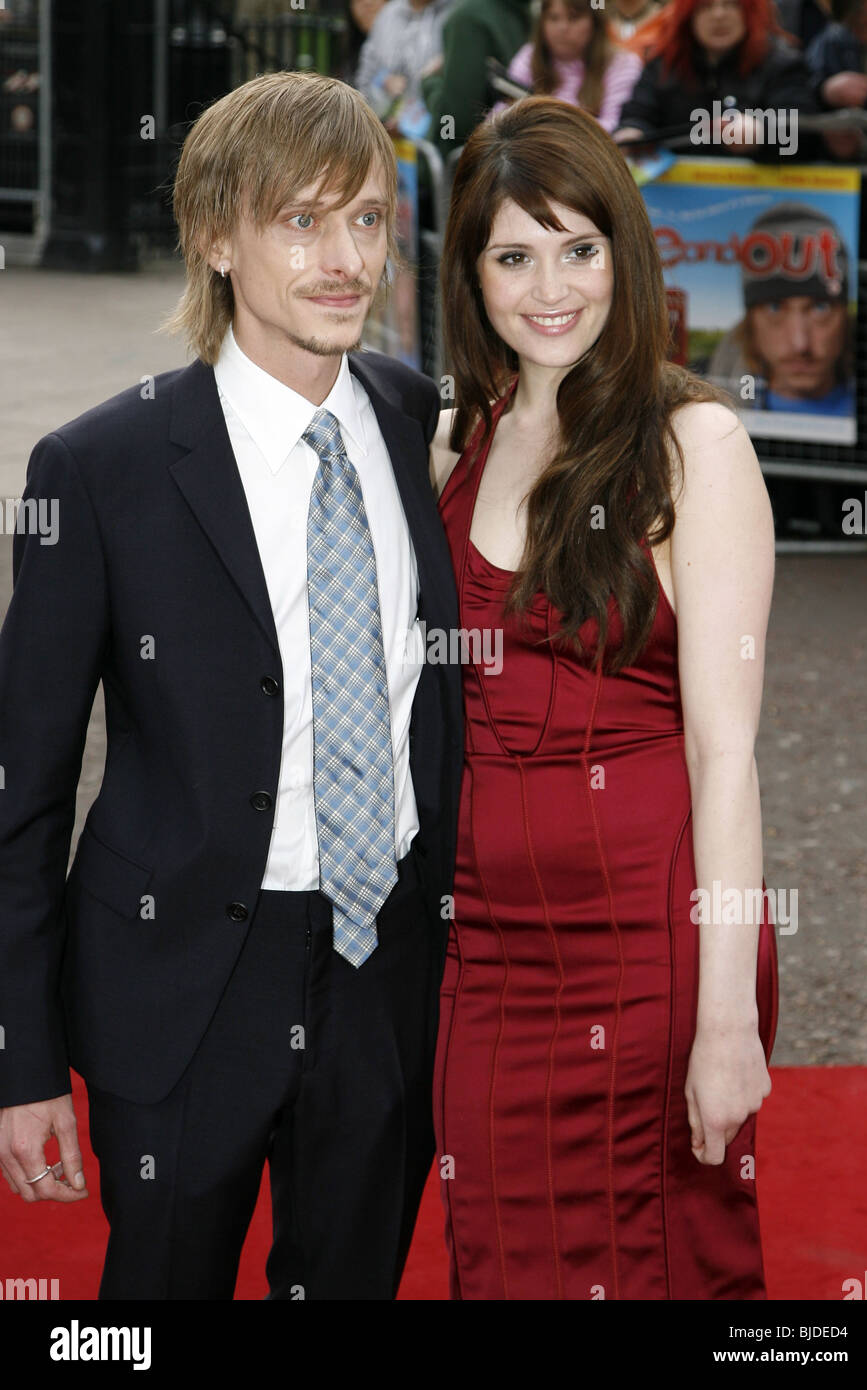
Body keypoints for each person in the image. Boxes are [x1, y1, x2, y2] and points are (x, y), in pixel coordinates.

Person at [0, 71, 463, 1300]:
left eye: (364, 218)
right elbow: (24, 791)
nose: (342, 257)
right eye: (298, 220)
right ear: (214, 237)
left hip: (383, 963)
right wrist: (23, 1059)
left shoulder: (413, 417)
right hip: (184, 979)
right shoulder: (99, 467)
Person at [429, 96, 779, 1300]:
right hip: (487, 955)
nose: (551, 289)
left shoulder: (695, 446)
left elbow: (726, 757)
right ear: (470, 275)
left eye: (579, 248)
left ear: (624, 252)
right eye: (513, 255)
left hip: (653, 955)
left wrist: (725, 1018)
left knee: (659, 1266)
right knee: (505, 1260)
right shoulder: (461, 439)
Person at [614, 0, 816, 159]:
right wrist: (632, 133)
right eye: (705, 6)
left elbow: (806, 129)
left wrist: (760, 132)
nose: (719, 15)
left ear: (750, 12)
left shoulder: (782, 62)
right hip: (678, 196)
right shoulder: (664, 64)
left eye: (731, 4)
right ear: (688, 15)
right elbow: (637, 114)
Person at [707, 204, 854, 416]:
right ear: (751, 322)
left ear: (844, 315)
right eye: (775, 308)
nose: (800, 344)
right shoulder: (707, 409)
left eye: (820, 308)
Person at [492, 0, 643, 134]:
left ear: (595, 21)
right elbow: (499, 116)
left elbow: (615, 127)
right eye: (553, 18)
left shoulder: (622, 63)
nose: (563, 27)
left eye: (574, 18)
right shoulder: (529, 55)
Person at [422, 0, 533, 154]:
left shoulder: (470, 18)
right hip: (521, 156)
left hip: (472, 163)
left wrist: (430, 84)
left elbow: (455, 124)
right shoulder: (536, 12)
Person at [806, 0, 867, 161]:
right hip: (842, 174)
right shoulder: (833, 42)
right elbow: (795, 92)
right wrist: (824, 90)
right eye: (857, 27)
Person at [354, 0, 454, 133]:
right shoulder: (388, 14)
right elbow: (365, 79)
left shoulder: (455, 14)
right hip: (387, 136)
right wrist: (382, 81)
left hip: (439, 134)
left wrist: (412, 123)